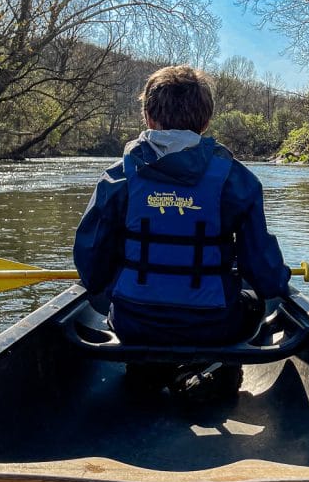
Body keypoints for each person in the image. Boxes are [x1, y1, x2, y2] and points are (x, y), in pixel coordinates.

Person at [74, 65, 291, 365]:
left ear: (148, 117)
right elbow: (265, 278)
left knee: (117, 297)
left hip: (133, 323)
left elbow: (91, 269)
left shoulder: (116, 178)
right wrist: (281, 278)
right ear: (206, 121)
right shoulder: (237, 180)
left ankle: (144, 371)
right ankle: (217, 369)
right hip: (214, 324)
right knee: (255, 304)